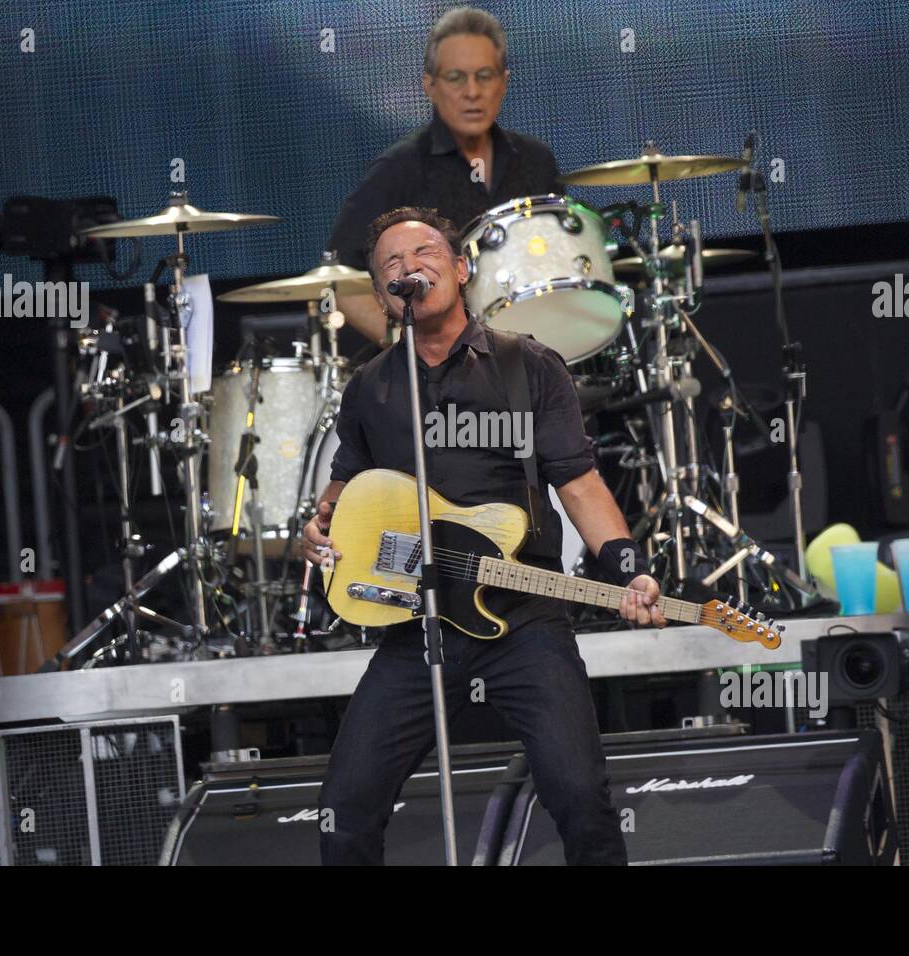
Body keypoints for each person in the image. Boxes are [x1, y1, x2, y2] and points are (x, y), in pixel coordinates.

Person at [302, 207, 667, 865]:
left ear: (463, 268)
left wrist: (626, 567)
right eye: (391, 264)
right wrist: (320, 529)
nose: (408, 268)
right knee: (344, 808)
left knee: (581, 796)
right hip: (420, 622)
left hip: (522, 616)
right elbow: (345, 491)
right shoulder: (370, 390)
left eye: (424, 254)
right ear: (383, 295)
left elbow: (579, 482)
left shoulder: (527, 367)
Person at [327, 7, 560, 346]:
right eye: (455, 77)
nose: (472, 92)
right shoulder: (400, 168)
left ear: (504, 83)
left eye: (484, 75)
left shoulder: (536, 159)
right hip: (445, 380)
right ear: (430, 86)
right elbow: (338, 279)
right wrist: (413, 349)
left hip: (536, 351)